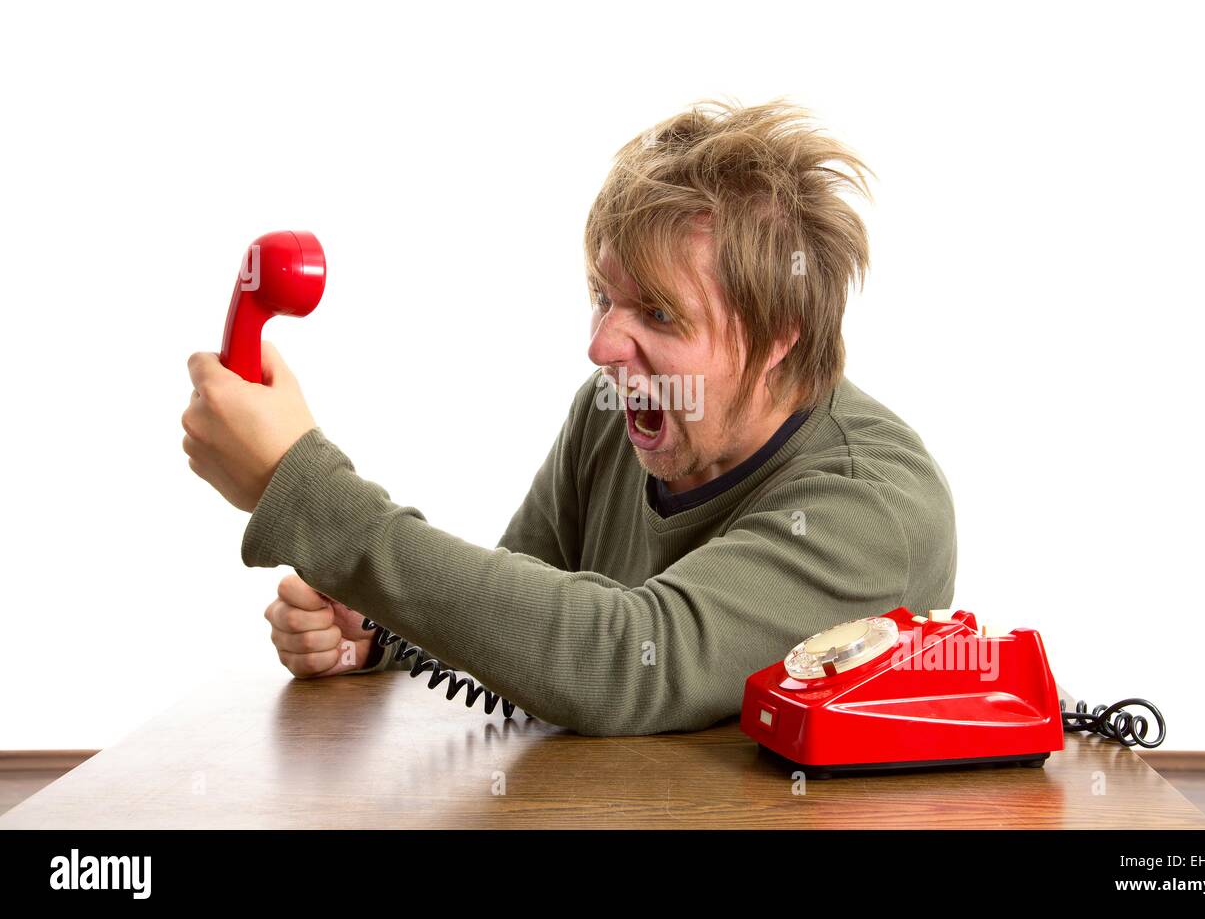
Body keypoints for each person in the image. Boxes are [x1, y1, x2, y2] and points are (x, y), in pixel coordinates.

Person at [181, 98, 957, 736]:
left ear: (777, 338)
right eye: (602, 295)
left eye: (657, 312)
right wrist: (380, 630)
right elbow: (526, 605)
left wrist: (306, 489)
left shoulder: (873, 511)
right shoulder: (619, 408)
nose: (600, 346)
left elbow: (626, 660)